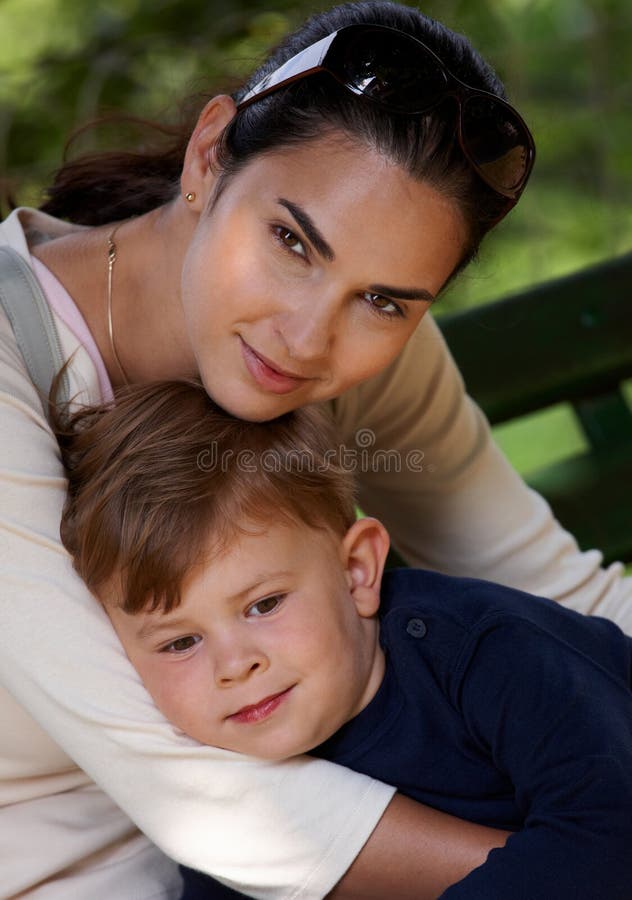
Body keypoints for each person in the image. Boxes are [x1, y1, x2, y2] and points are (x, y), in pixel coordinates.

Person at [0, 0, 630, 896]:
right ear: (210, 154)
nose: (305, 336)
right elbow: (191, 793)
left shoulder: (353, 354)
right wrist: (585, 858)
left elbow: (563, 592)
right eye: (292, 242)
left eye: (386, 302)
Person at [56, 378, 632, 900]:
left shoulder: (486, 652)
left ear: (357, 571)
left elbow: (608, 833)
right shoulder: (228, 801)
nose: (234, 666)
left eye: (264, 604)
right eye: (180, 643)